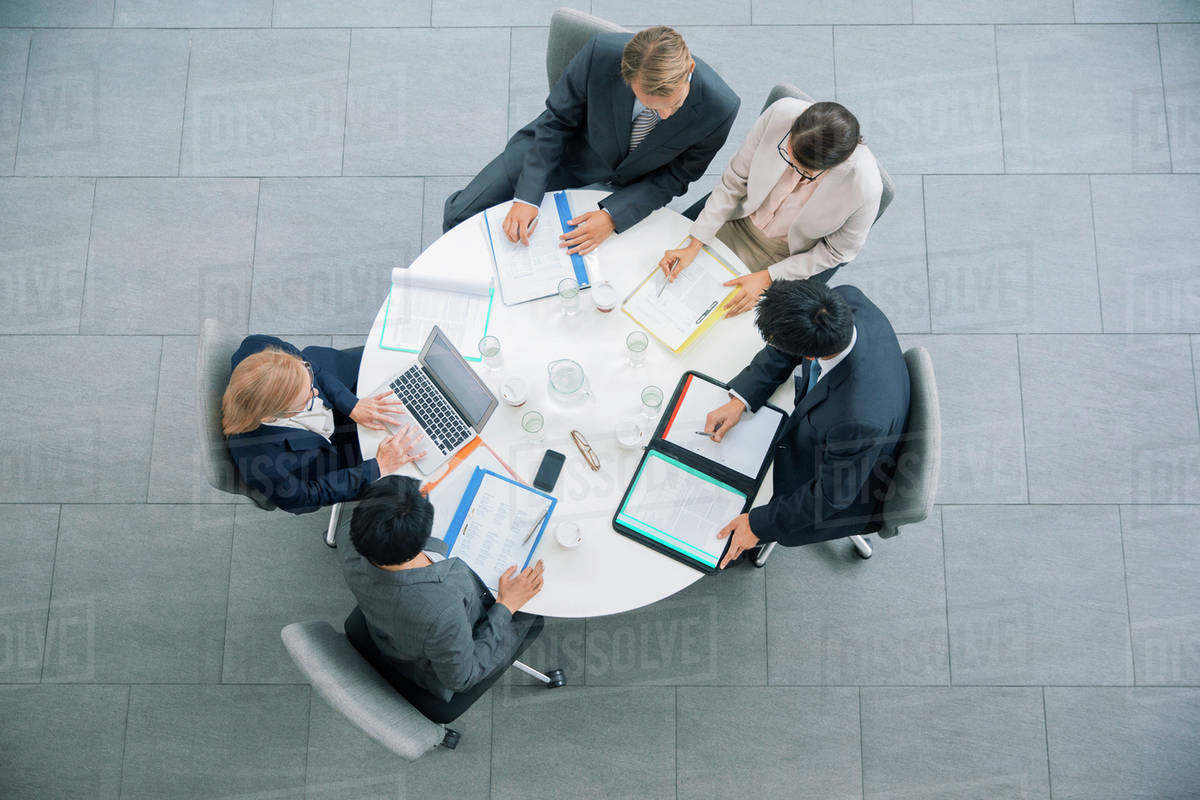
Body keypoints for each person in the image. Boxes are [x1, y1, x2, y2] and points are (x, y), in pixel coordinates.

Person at [442, 25, 739, 254]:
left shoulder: (720, 108)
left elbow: (677, 177)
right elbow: (557, 121)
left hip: (628, 190)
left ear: (689, 70)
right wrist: (526, 196)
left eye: (672, 106)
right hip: (564, 153)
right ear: (627, 75)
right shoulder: (601, 54)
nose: (662, 116)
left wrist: (612, 216)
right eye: (649, 105)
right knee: (461, 216)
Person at [702, 280, 909, 568]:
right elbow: (787, 346)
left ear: (809, 354)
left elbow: (830, 499)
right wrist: (740, 400)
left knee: (720, 526)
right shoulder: (840, 302)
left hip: (843, 486)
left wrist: (757, 525)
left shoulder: (856, 419)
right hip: (845, 435)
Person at [338, 475, 545, 724]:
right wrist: (506, 606)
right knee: (534, 615)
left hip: (388, 625)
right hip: (427, 665)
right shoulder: (441, 609)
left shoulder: (346, 534)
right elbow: (462, 677)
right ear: (419, 542)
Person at [658, 98, 882, 316]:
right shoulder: (780, 115)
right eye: (788, 156)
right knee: (663, 277)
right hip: (736, 218)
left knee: (721, 321)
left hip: (784, 257)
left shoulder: (864, 187)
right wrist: (696, 242)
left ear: (833, 166)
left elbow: (836, 252)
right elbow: (735, 180)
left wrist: (770, 276)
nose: (793, 169)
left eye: (804, 172)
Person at [222, 335, 425, 514]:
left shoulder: (259, 347)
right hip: (335, 454)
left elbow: (315, 369)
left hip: (344, 391)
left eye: (309, 382)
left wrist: (351, 405)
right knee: (416, 471)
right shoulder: (261, 460)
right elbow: (305, 498)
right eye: (307, 400)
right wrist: (378, 467)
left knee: (407, 370)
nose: (316, 393)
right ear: (270, 416)